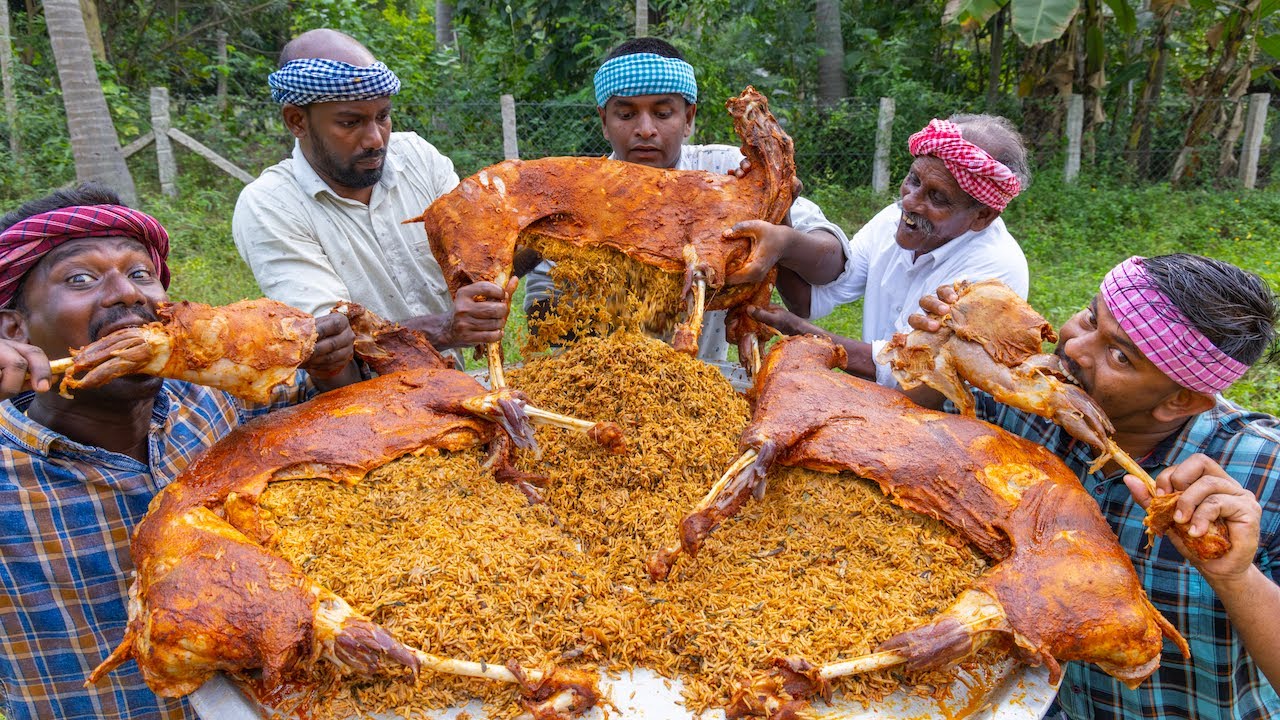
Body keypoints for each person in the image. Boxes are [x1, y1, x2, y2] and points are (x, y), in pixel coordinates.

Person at [0, 184, 360, 720]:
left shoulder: (217, 401)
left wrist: (333, 365)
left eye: (141, 273)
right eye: (81, 278)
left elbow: (343, 415)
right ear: (13, 328)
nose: (127, 294)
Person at [916, 254, 1280, 720]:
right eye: (1090, 316)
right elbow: (912, 436)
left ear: (1180, 400)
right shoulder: (1021, 404)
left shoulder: (1263, 474)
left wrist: (1234, 575)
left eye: (1119, 355)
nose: (1076, 348)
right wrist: (935, 354)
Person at [522, 37, 850, 361]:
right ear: (604, 122)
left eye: (663, 113)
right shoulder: (575, 192)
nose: (646, 129)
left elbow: (832, 263)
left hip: (704, 382)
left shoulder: (725, 171)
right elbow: (541, 317)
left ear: (689, 118)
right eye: (626, 115)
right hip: (597, 380)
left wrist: (784, 236)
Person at [232, 28, 514, 367]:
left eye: (383, 117)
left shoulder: (417, 158)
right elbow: (334, 343)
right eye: (351, 122)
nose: (375, 139)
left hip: (450, 385)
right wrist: (445, 328)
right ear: (296, 121)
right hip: (353, 407)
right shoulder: (270, 206)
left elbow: (477, 255)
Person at [753, 114, 1030, 386]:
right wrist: (780, 209)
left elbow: (915, 372)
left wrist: (802, 332)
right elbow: (808, 301)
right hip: (879, 406)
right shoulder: (891, 220)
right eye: (914, 180)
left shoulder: (996, 271)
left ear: (982, 216)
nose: (911, 202)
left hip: (944, 424)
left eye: (937, 197)